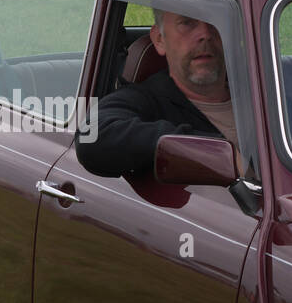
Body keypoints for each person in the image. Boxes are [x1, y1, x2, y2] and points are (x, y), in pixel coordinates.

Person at [77, 11, 237, 179]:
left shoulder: (260, 91)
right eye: (187, 23)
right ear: (160, 39)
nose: (205, 34)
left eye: (214, 20)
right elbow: (92, 136)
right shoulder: (147, 100)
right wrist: (215, 151)